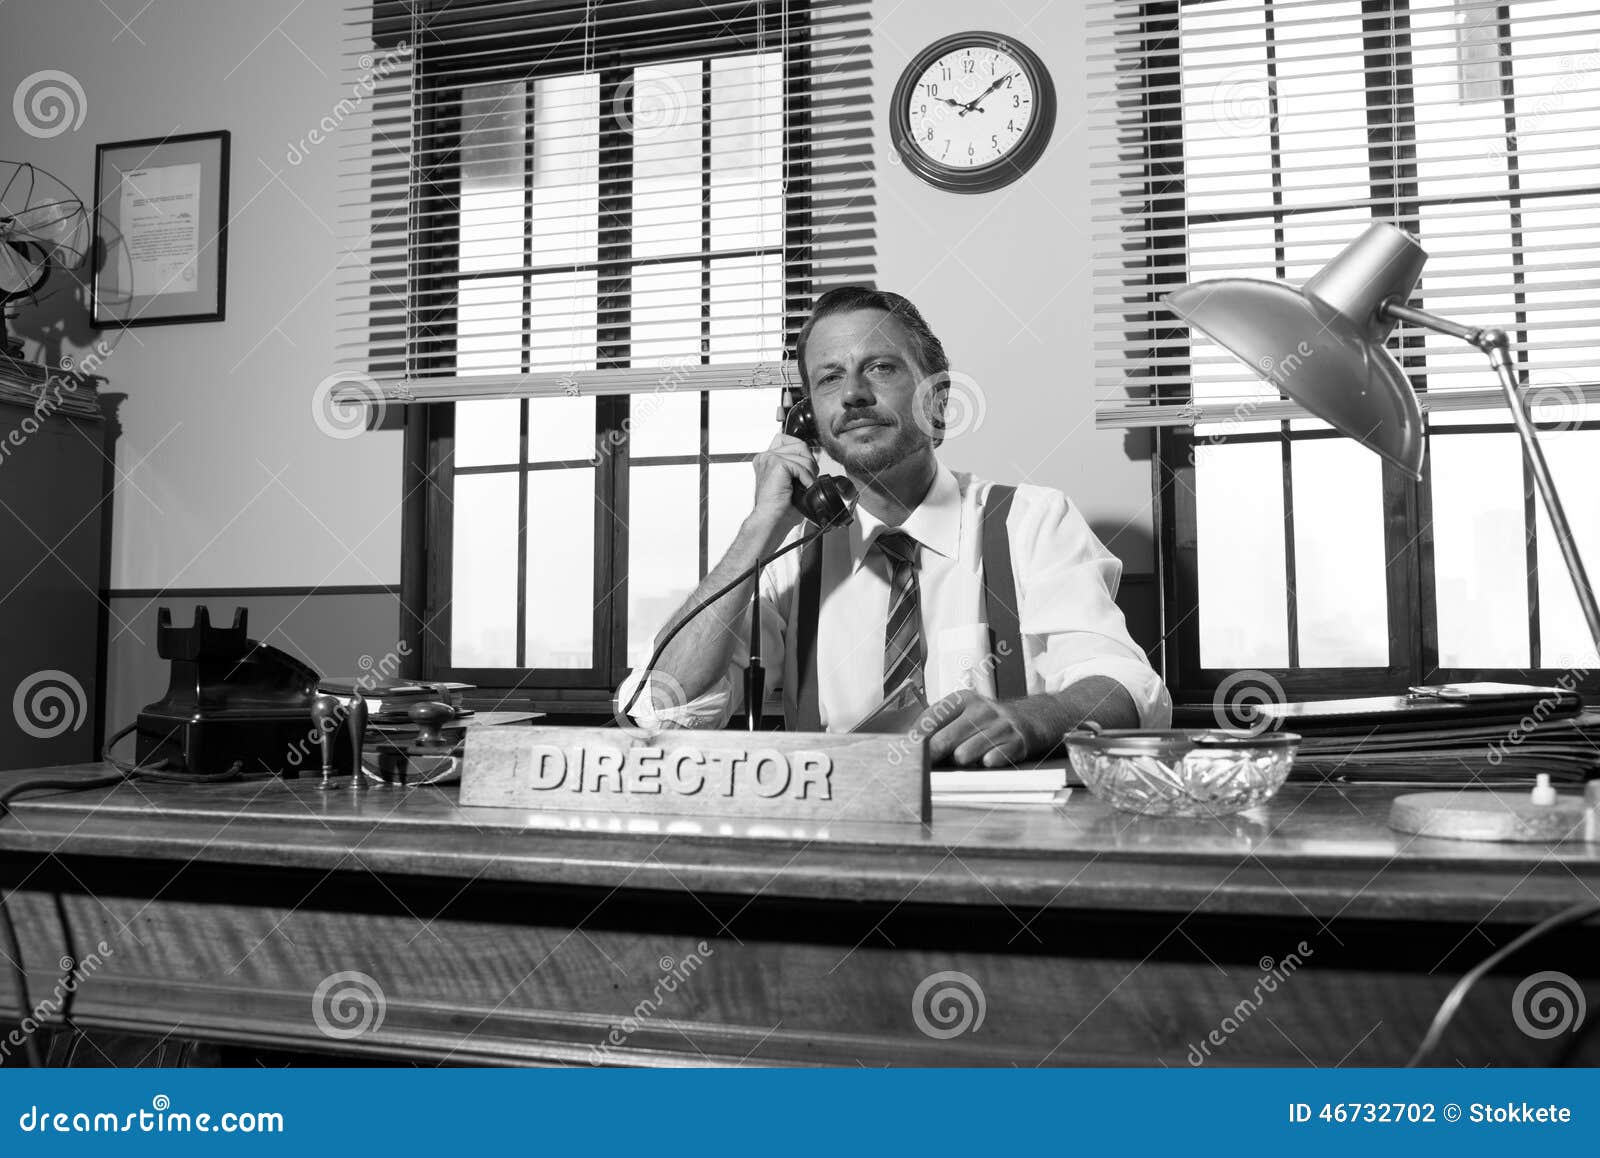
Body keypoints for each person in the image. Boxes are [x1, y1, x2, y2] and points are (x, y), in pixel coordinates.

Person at [618, 286, 1171, 767]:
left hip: (999, 843)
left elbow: (1124, 684)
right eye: (829, 378)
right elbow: (661, 714)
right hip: (836, 842)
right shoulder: (786, 557)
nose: (854, 393)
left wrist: (1031, 719)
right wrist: (760, 527)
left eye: (880, 367)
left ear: (939, 399)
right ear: (806, 418)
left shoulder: (1032, 521)